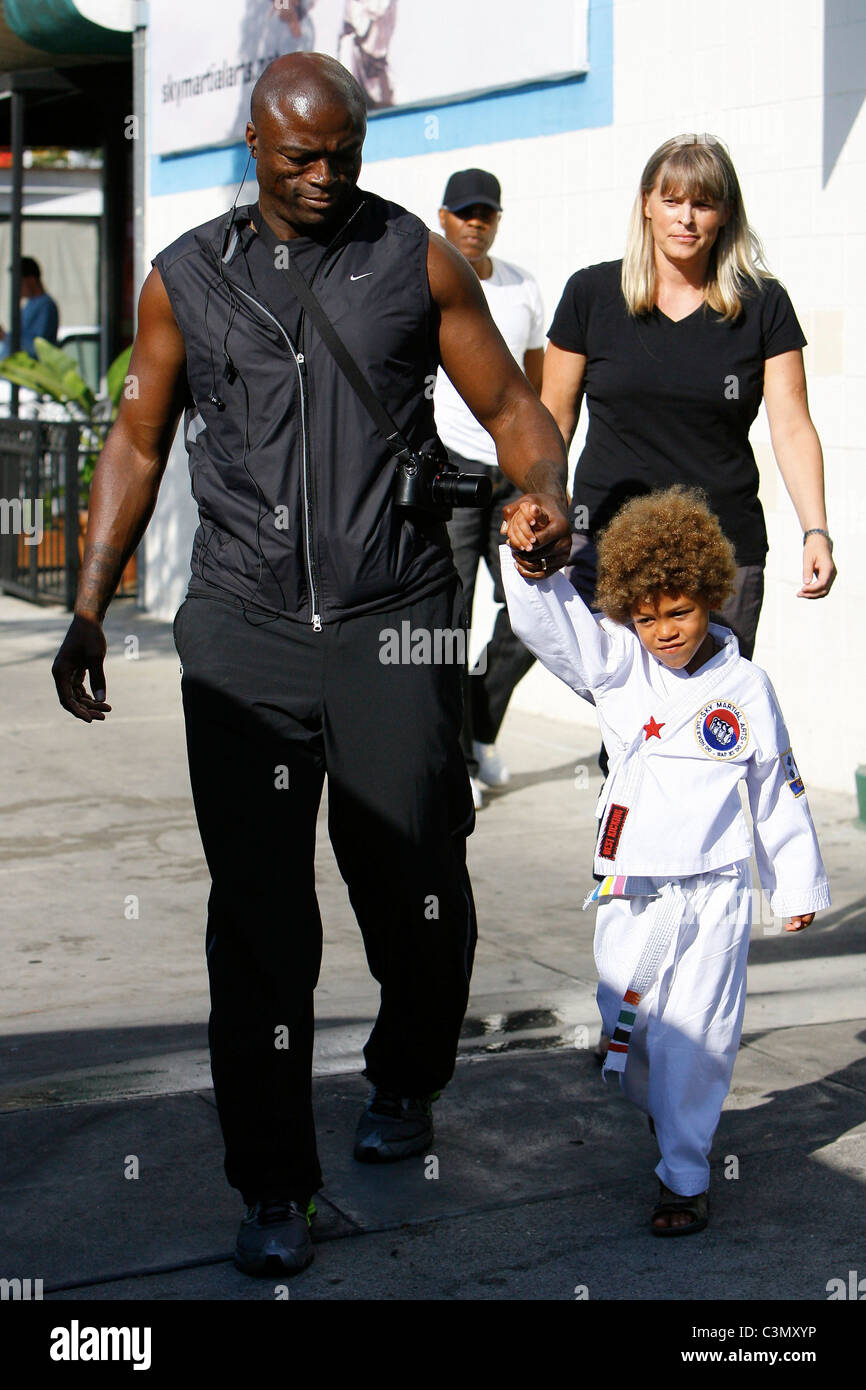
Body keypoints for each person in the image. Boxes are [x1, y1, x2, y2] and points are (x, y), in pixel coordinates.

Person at [50, 53, 569, 1279]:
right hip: (244, 631)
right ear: (251, 143)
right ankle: (275, 1181)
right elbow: (134, 435)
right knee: (262, 927)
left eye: (343, 153)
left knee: (418, 887)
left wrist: (542, 493)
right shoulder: (186, 280)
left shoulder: (416, 259)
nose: (325, 176)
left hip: (396, 620)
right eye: (300, 158)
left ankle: (406, 1072)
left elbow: (512, 409)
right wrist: (86, 604)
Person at [500, 486, 830, 1235]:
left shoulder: (746, 689)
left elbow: (776, 785)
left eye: (678, 613)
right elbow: (554, 629)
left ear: (711, 596)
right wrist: (530, 565)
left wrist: (793, 882)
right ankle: (669, 1116)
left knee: (702, 1034)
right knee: (630, 1025)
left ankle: (684, 1175)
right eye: (645, 618)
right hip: (629, 888)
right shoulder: (619, 667)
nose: (663, 632)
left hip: (714, 891)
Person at [541, 133, 836, 662]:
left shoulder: (763, 304)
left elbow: (791, 426)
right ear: (647, 205)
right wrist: (544, 505)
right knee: (628, 727)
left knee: (711, 726)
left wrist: (816, 530)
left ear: (725, 213)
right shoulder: (590, 294)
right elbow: (553, 419)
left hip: (722, 553)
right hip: (609, 544)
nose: (686, 218)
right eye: (672, 201)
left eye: (702, 203)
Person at [433, 167, 545, 806]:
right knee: (448, 617)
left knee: (534, 612)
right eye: (465, 212)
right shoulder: (428, 278)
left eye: (488, 214)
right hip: (451, 468)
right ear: (444, 217)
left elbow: (537, 386)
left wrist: (543, 474)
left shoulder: (524, 287)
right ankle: (457, 761)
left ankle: (478, 724)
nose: (476, 223)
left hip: (511, 476)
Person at [0, 256, 59, 359]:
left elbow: (37, 347)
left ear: (31, 280)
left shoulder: (45, 306)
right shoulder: (30, 305)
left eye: (19, 282)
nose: (16, 288)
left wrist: (4, 336)